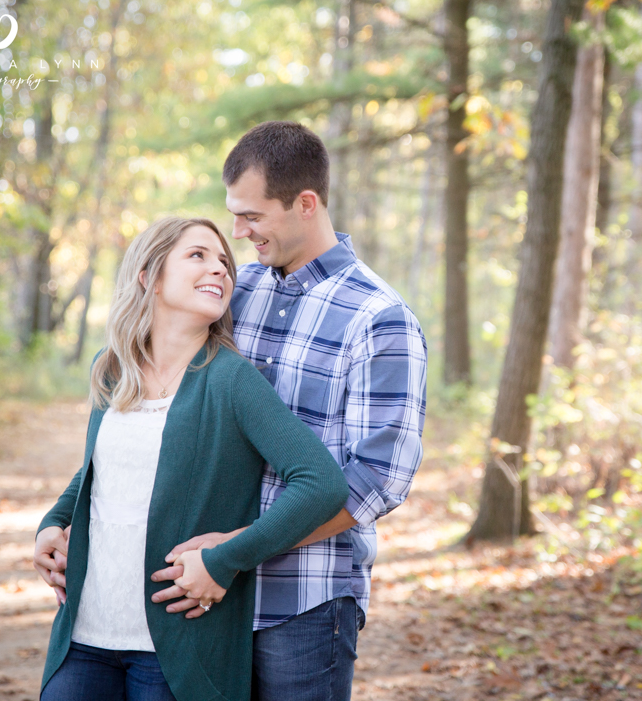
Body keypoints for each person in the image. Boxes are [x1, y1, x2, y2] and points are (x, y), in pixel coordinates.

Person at [150, 121, 428, 700]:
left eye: (252, 216)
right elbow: (158, 401)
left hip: (305, 598)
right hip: (202, 591)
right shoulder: (233, 294)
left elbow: (379, 478)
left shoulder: (379, 318)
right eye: (234, 215)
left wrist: (239, 547)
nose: (238, 232)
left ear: (306, 204)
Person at [31, 216, 348, 701]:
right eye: (198, 255)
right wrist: (51, 525)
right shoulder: (114, 369)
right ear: (150, 277)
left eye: (224, 261)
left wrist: (226, 559)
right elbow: (99, 469)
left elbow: (321, 483)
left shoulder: (232, 379)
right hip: (83, 635)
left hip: (176, 647)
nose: (220, 269)